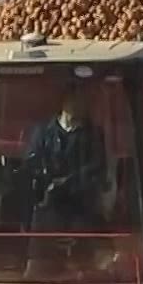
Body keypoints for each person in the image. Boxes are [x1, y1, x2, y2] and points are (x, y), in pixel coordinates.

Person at [21, 88, 111, 233]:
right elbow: (31, 162)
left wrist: (68, 181)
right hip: (48, 204)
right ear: (64, 102)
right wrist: (45, 181)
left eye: (82, 101)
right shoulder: (43, 132)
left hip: (81, 206)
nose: (78, 105)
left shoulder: (93, 134)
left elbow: (98, 166)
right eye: (74, 100)